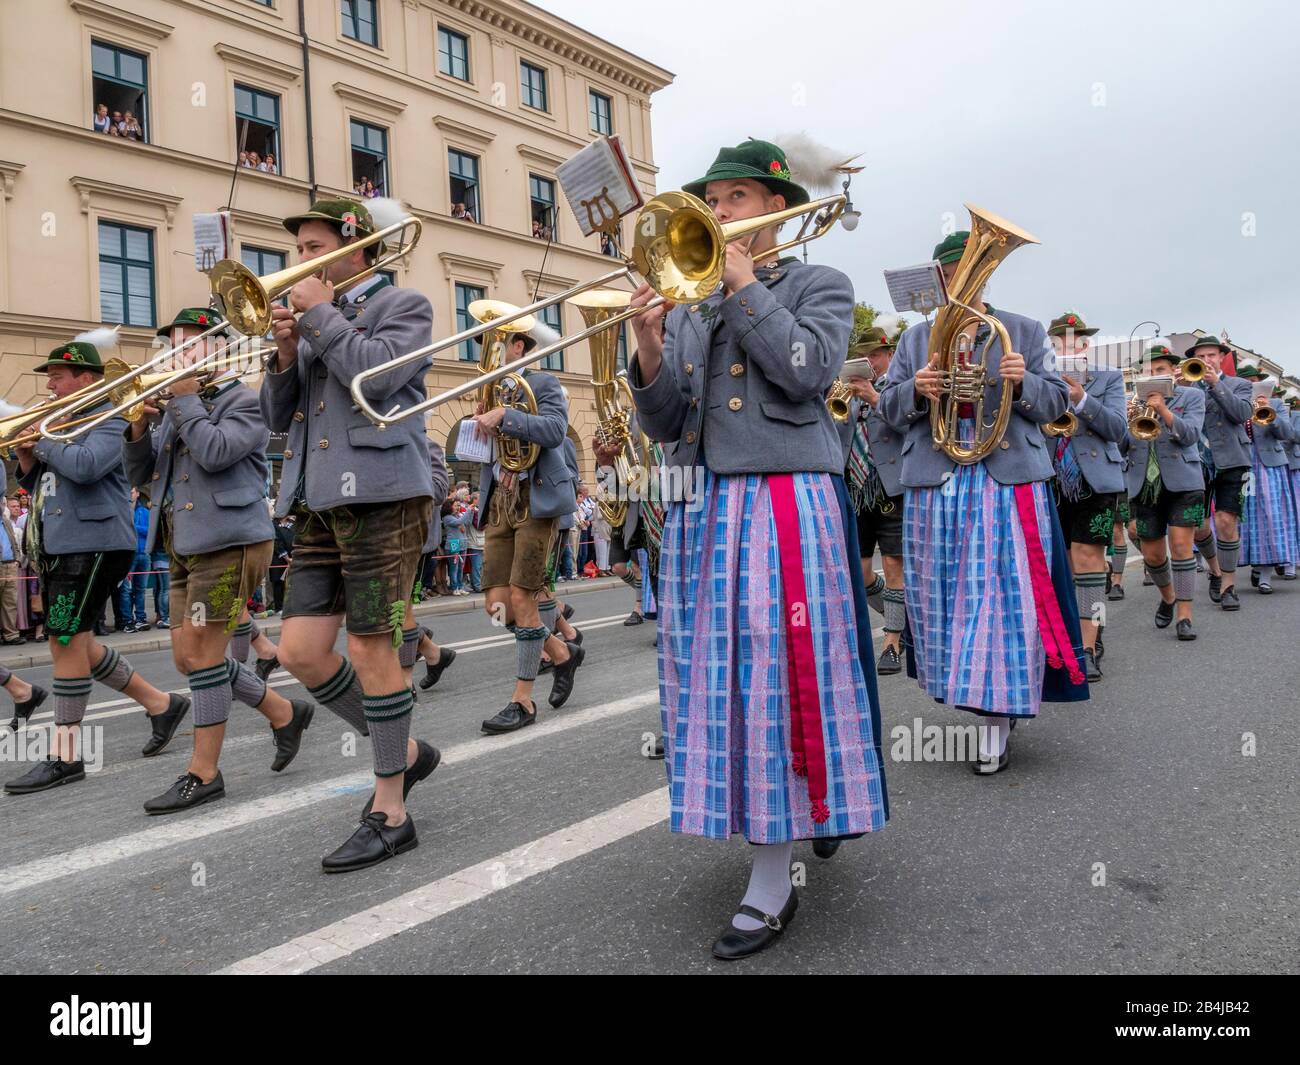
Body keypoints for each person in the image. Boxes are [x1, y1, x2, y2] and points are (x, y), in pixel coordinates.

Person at [628, 139, 888, 959]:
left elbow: (807, 373)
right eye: (716, 197)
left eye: (735, 197)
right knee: (726, 680)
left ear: (779, 208)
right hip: (707, 504)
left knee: (782, 674)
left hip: (787, 498)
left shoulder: (819, 283)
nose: (719, 210)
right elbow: (669, 423)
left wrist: (743, 288)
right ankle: (796, 816)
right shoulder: (694, 304)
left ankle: (773, 878)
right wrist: (647, 345)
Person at [260, 197, 440, 871]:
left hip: (382, 495)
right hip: (315, 501)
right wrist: (283, 352)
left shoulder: (405, 304)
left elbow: (381, 377)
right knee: (301, 652)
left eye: (312, 248)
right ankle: (406, 749)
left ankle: (390, 808)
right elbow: (278, 417)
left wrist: (318, 317)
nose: (299, 261)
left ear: (356, 250)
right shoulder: (310, 322)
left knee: (371, 649)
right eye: (300, 249)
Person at [878, 229, 1086, 775]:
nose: (960, 280)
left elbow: (1057, 403)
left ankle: (996, 714)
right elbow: (887, 411)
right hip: (937, 480)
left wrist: (1023, 383)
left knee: (1004, 596)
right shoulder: (915, 338)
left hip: (1004, 476)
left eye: (970, 270)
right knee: (949, 599)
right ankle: (982, 697)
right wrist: (914, 392)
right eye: (950, 272)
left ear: (988, 273)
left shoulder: (1022, 329)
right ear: (939, 276)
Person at [126, 307, 315, 813]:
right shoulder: (177, 406)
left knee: (206, 657)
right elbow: (142, 476)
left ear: (221, 349)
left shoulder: (243, 401)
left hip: (231, 540)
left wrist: (183, 404)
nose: (177, 355)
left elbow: (213, 452)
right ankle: (283, 712)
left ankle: (203, 772)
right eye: (173, 347)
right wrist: (138, 429)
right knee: (186, 657)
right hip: (185, 543)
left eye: (190, 345)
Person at [3, 332, 191, 795]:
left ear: (85, 377)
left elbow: (88, 467)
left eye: (59, 377)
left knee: (65, 640)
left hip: (95, 542)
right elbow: (48, 480)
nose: (50, 387)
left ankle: (66, 755)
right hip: (63, 543)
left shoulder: (109, 414)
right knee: (76, 644)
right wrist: (28, 459)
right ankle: (160, 704)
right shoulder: (61, 420)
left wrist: (44, 440)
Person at [474, 328, 583, 733]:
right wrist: (480, 426)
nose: (487, 350)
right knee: (496, 606)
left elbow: (556, 431)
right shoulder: (489, 389)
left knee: (523, 599)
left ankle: (523, 700)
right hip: (500, 500)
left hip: (534, 500)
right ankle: (561, 653)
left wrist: (507, 416)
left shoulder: (543, 383)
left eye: (497, 342)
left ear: (518, 346)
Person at [1044, 312, 1128, 682]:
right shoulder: (1041, 378)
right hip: (1051, 478)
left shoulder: (1108, 377)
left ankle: (1088, 646)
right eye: (1060, 339)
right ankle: (1071, 634)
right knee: (1062, 563)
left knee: (1088, 559)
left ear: (1084, 345)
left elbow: (1118, 430)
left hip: (1096, 479)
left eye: (1074, 339)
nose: (1068, 344)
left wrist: (1082, 399)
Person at [1122, 345, 1207, 638]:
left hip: (1184, 481)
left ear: (1173, 371)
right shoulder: (1131, 402)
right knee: (1154, 554)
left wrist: (1164, 411)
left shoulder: (1193, 396)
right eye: (1148, 370)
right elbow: (1121, 446)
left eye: (1159, 369)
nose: (1154, 375)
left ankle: (1185, 615)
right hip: (1145, 485)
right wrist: (1125, 419)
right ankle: (1169, 596)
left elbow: (1192, 435)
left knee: (1182, 547)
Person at [838, 322, 907, 675]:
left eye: (876, 354)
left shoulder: (899, 385)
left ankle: (893, 641)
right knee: (861, 572)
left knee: (894, 565)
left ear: (889, 354)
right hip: (856, 487)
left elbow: (912, 426)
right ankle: (902, 617)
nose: (870, 361)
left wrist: (875, 398)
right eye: (863, 356)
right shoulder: (846, 390)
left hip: (890, 485)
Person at [1181, 336, 1255, 610]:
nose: (1206, 361)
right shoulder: (1187, 387)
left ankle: (1228, 585)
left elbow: (1241, 414)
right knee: (1198, 526)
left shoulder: (1240, 385)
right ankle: (1214, 569)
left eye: (1211, 355)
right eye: (1200, 357)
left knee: (1226, 521)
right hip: (1196, 461)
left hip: (1232, 460)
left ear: (1221, 357)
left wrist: (1215, 384)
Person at [1234, 365, 1298, 592]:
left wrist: (1268, 411)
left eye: (1255, 381)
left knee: (1272, 517)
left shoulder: (1277, 404)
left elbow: (1288, 434)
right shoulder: (1237, 405)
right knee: (1249, 518)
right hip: (1244, 465)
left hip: (1270, 466)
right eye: (1247, 382)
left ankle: (1265, 574)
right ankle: (1256, 562)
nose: (1252, 386)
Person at [1, 495, 25, 644]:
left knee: (10, 602)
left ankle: (11, 634)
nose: (2, 506)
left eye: (2, 503)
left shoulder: (6, 522)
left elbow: (14, 542)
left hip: (10, 565)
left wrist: (17, 559)